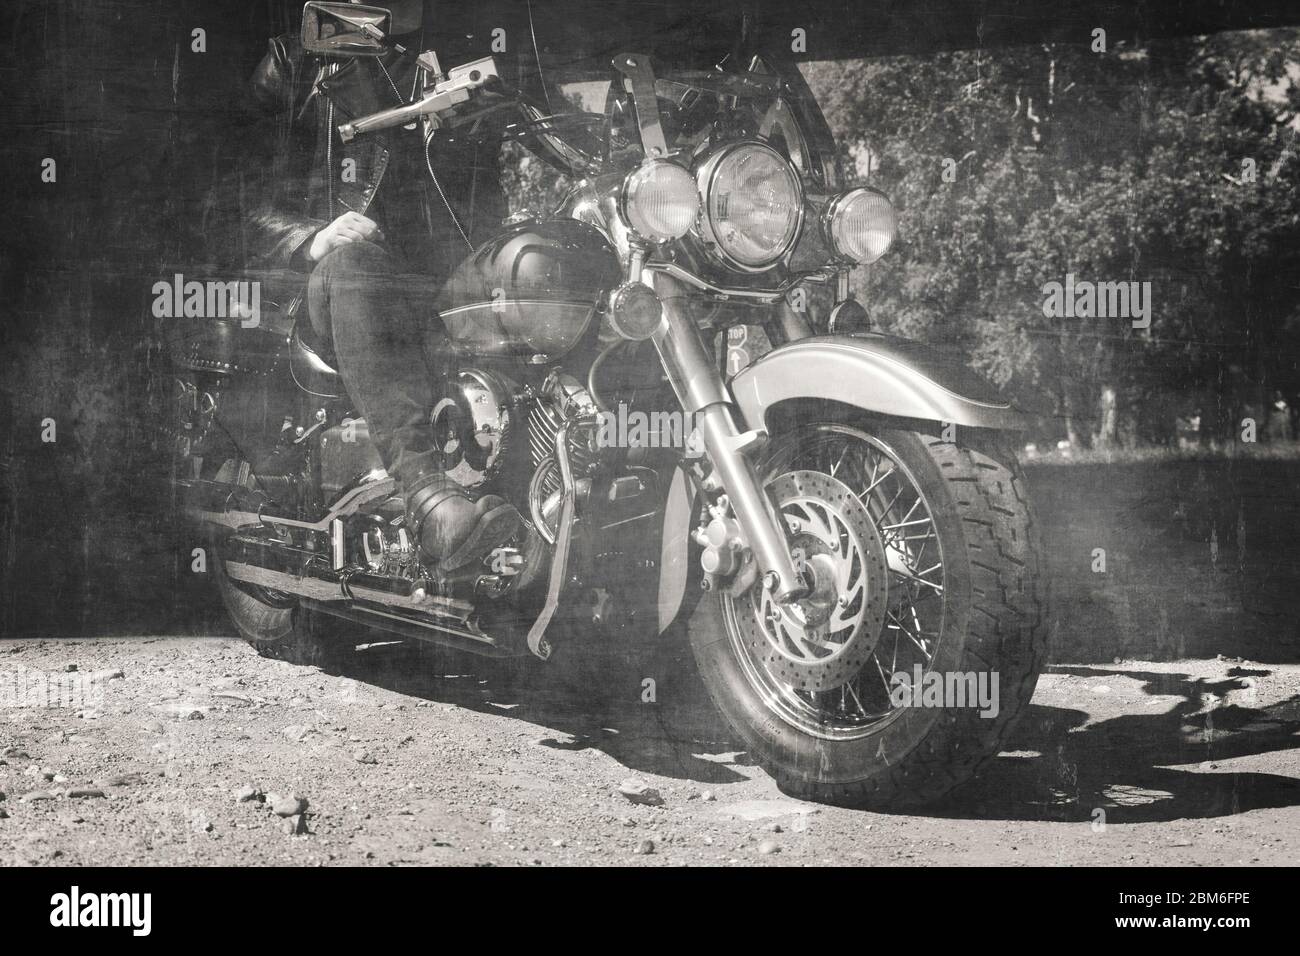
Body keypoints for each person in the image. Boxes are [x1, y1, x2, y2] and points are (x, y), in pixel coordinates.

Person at [231, 0, 538, 575]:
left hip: (449, 278)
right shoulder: (298, 60)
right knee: (358, 265)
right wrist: (311, 237)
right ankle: (429, 499)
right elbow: (229, 197)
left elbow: (536, 150)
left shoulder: (464, 49)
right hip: (338, 283)